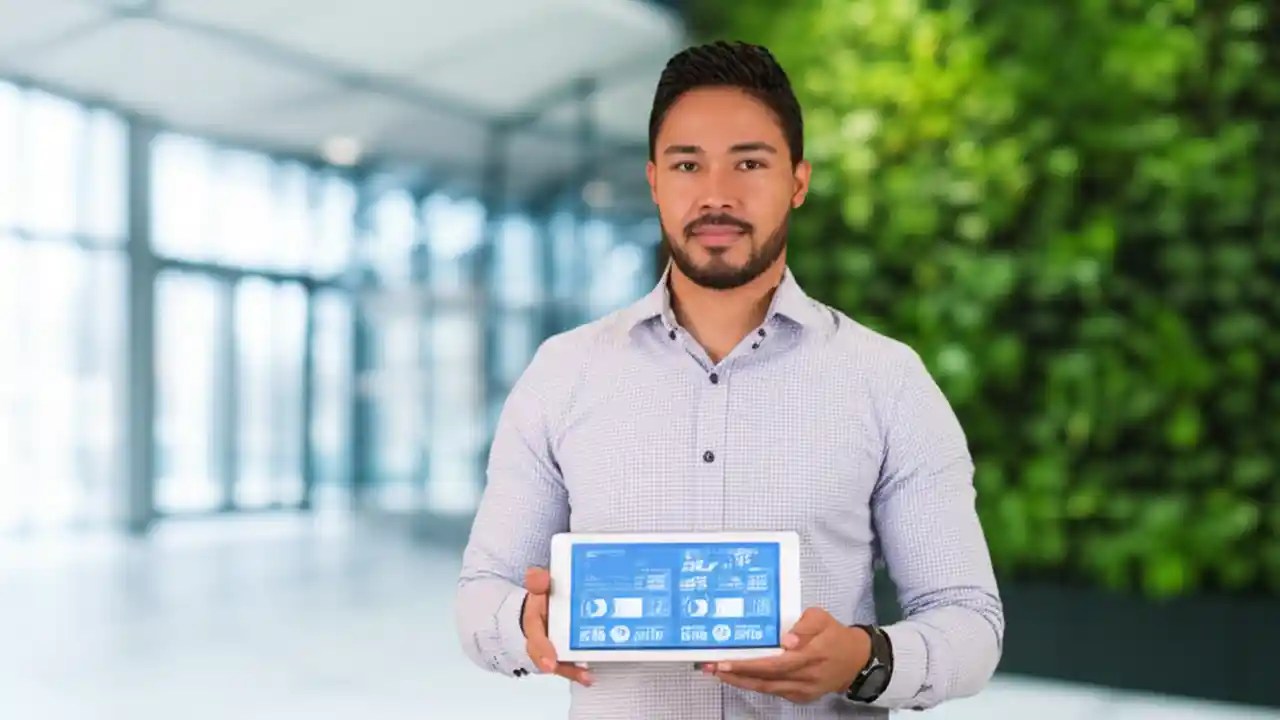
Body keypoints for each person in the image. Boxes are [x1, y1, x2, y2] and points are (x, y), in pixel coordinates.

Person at [455, 40, 1004, 719]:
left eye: (749, 162)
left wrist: (863, 660)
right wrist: (524, 623)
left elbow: (968, 620)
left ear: (797, 181)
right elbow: (482, 593)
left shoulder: (886, 381)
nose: (717, 195)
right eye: (688, 165)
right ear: (654, 181)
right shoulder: (563, 373)